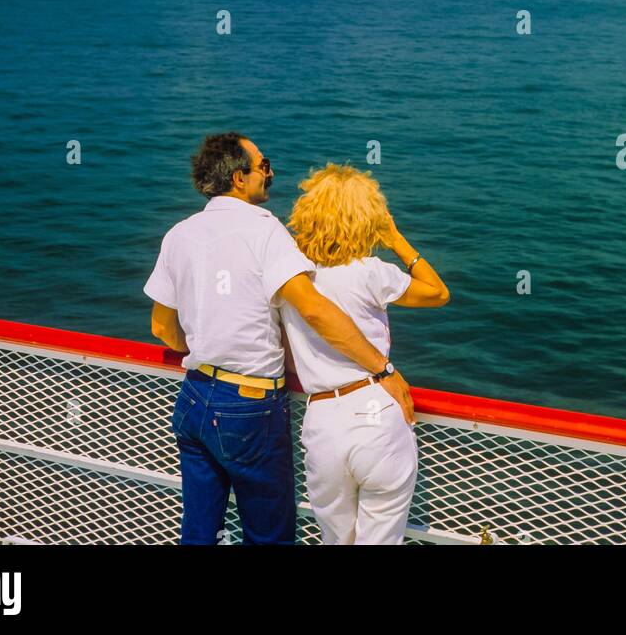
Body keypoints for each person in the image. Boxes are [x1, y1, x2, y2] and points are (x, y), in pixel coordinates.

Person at [144, 133, 414, 546]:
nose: (271, 173)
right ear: (239, 178)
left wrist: (210, 341)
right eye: (264, 165)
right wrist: (383, 369)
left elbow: (162, 328)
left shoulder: (180, 234)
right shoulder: (265, 230)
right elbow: (313, 308)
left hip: (194, 397)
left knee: (199, 531)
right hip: (249, 407)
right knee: (267, 532)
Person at [280, 164, 449, 545]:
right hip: (376, 413)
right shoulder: (373, 272)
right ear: (368, 217)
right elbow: (438, 293)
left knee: (336, 540)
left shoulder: (292, 279)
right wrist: (395, 238)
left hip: (323, 418)